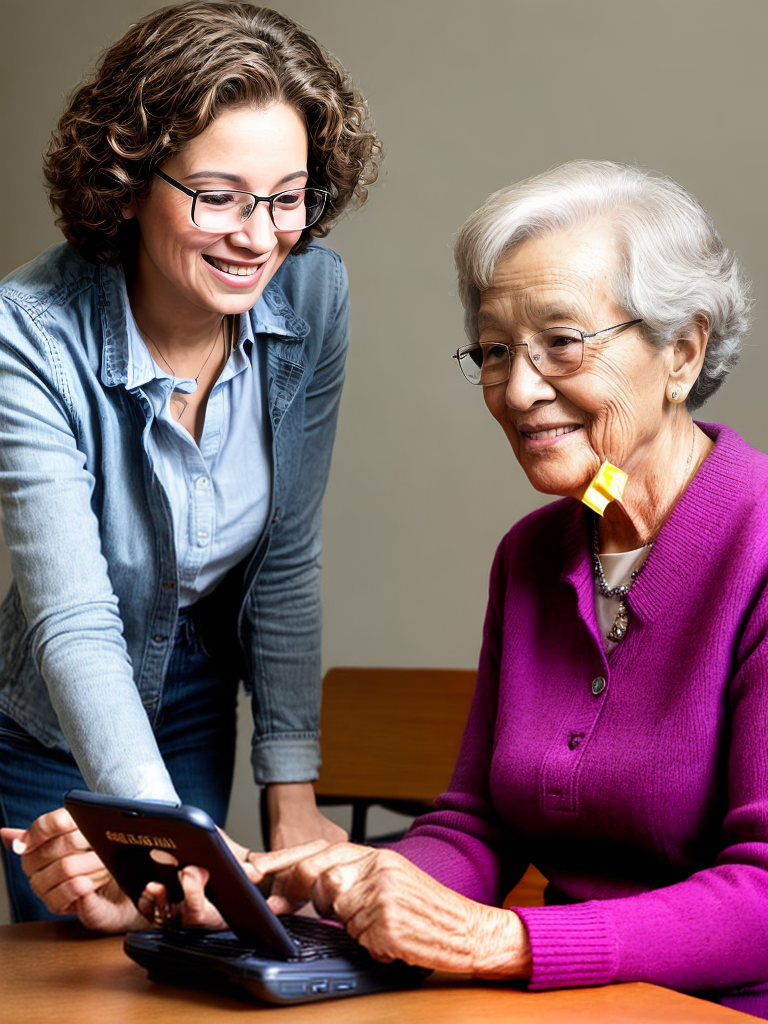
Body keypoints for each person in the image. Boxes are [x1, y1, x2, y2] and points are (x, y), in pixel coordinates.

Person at [6, 160, 767, 1018]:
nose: (516, 390)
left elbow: (764, 897)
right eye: (494, 350)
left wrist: (500, 940)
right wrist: (283, 886)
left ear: (684, 349)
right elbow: (476, 828)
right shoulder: (535, 556)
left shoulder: (759, 549)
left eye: (562, 341)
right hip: (570, 1001)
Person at [0, 1, 380, 922]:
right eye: (218, 195)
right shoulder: (27, 334)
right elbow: (76, 624)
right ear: (128, 181)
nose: (259, 237)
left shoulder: (313, 295)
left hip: (199, 692)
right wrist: (158, 850)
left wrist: (293, 797)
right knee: (96, 965)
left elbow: (287, 555)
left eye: (288, 196)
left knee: (200, 963)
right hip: (54, 717)